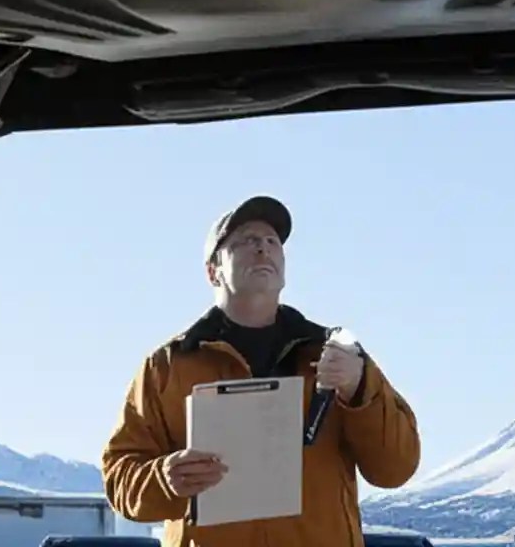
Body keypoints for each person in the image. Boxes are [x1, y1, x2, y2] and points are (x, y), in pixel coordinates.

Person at [101, 195, 421, 547]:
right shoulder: (166, 366)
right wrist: (164, 479)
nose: (262, 249)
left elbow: (396, 468)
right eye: (246, 241)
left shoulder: (336, 355)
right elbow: (120, 478)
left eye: (272, 242)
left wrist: (359, 389)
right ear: (213, 271)